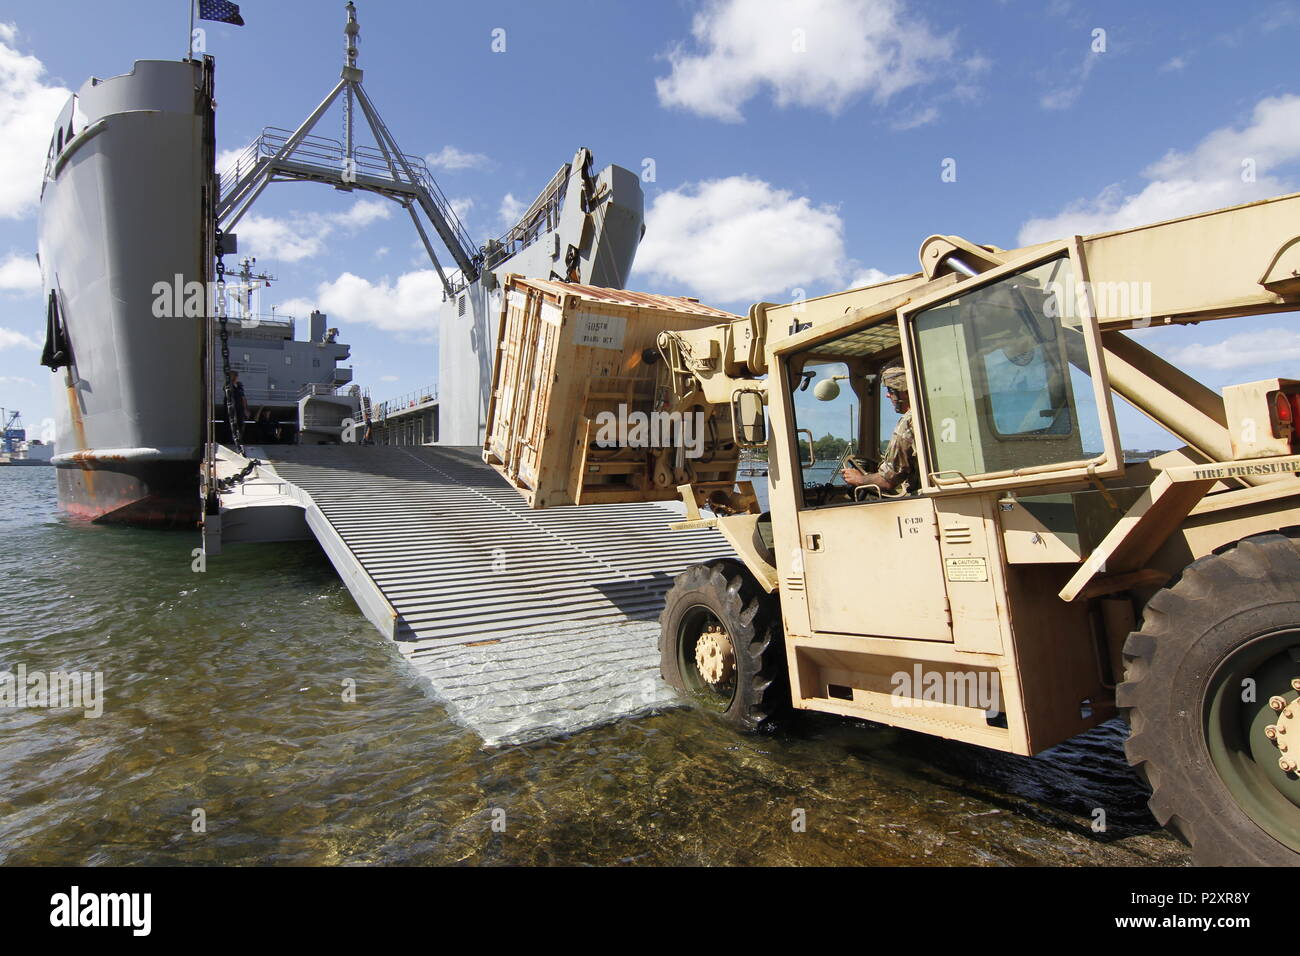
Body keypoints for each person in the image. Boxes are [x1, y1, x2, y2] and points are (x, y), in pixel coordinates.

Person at [842, 364, 917, 494]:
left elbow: (888, 481)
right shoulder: (926, 415)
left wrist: (859, 479)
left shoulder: (908, 421)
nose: (888, 395)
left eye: (891, 390)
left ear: (904, 392)